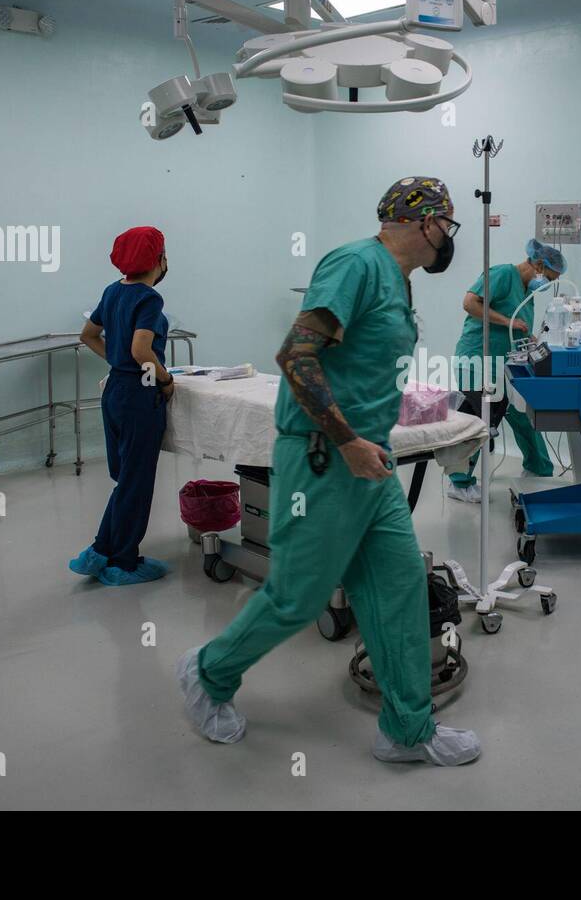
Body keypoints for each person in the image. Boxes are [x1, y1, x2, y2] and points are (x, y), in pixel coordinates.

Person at [176, 177, 481, 767]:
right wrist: (345, 441)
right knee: (298, 595)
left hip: (372, 462)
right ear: (426, 223)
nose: (449, 238)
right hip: (326, 458)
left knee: (397, 590)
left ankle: (407, 729)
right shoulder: (356, 264)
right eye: (447, 225)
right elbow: (295, 355)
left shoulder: (396, 281)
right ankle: (208, 673)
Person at [70, 226, 175, 587]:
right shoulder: (149, 299)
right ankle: (123, 564)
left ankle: (100, 551)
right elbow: (141, 350)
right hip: (139, 395)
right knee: (136, 480)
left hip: (115, 389)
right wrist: (164, 379)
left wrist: (116, 360)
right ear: (159, 260)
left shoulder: (112, 292)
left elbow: (88, 335)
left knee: (125, 477)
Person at [446, 238, 567, 503]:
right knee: (480, 419)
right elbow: (469, 303)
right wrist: (508, 322)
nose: (546, 283)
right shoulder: (502, 274)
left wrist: (530, 342)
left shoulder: (528, 291)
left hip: (508, 361)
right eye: (548, 276)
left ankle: (539, 469)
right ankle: (459, 483)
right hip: (478, 358)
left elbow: (519, 327)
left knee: (523, 414)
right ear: (537, 264)